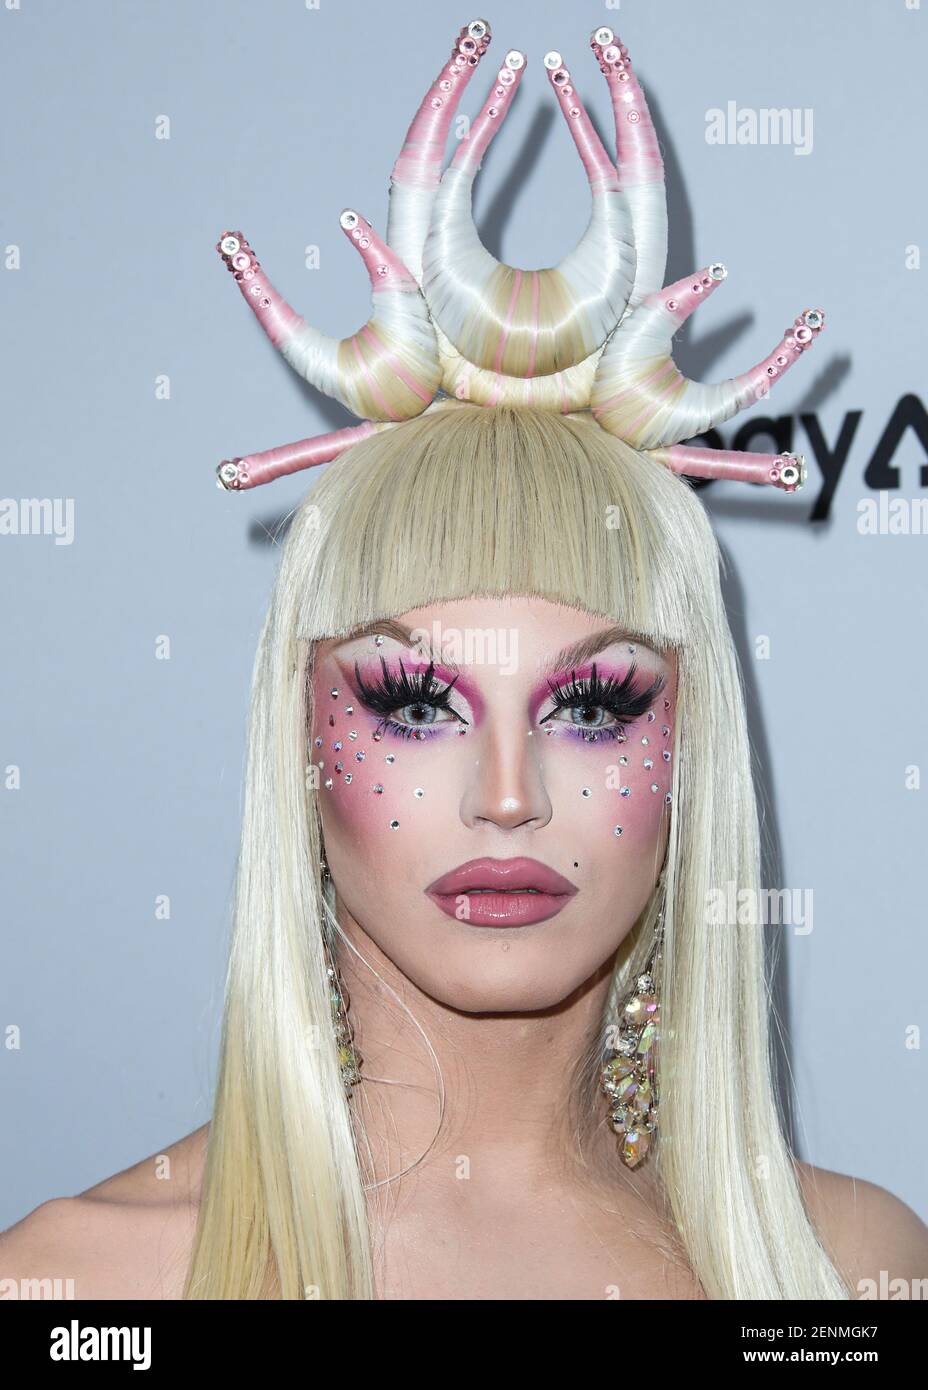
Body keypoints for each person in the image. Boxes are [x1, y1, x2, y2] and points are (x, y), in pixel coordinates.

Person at [3, 20, 926, 1301]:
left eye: (596, 705)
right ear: (299, 745)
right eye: (416, 701)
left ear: (693, 746)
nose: (509, 794)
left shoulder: (846, 1272)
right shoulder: (80, 1294)